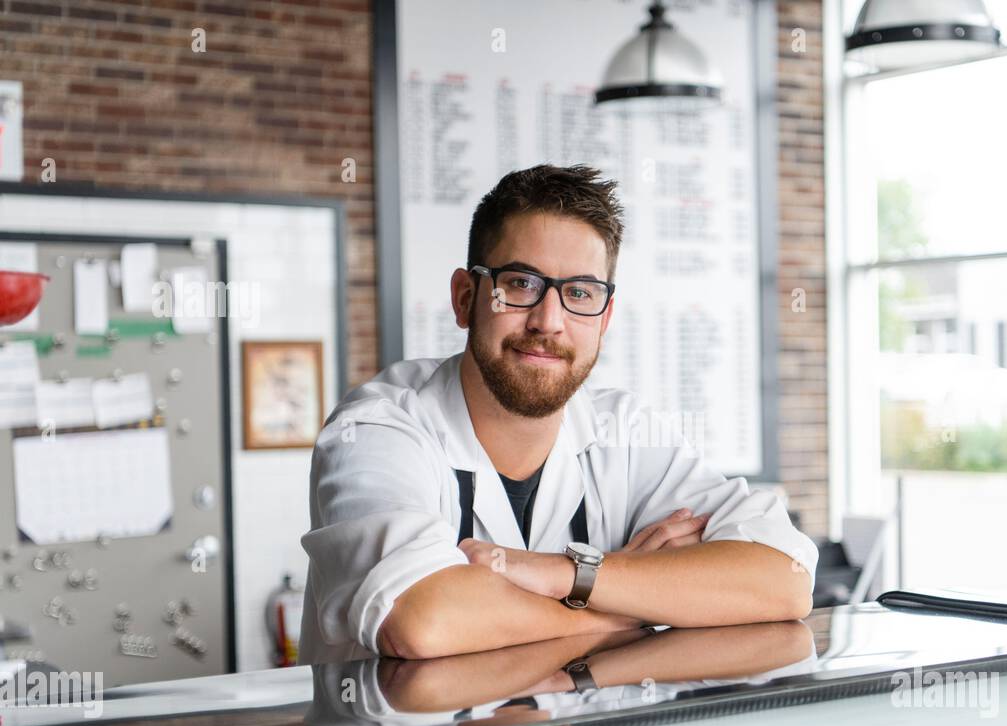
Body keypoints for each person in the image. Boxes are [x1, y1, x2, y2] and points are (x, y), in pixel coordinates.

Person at [299, 163, 817, 663]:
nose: (549, 321)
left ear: (604, 317)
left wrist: (566, 575)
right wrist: (627, 611)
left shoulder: (624, 431)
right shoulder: (376, 427)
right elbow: (421, 621)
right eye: (521, 284)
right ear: (465, 297)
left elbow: (787, 578)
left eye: (579, 293)